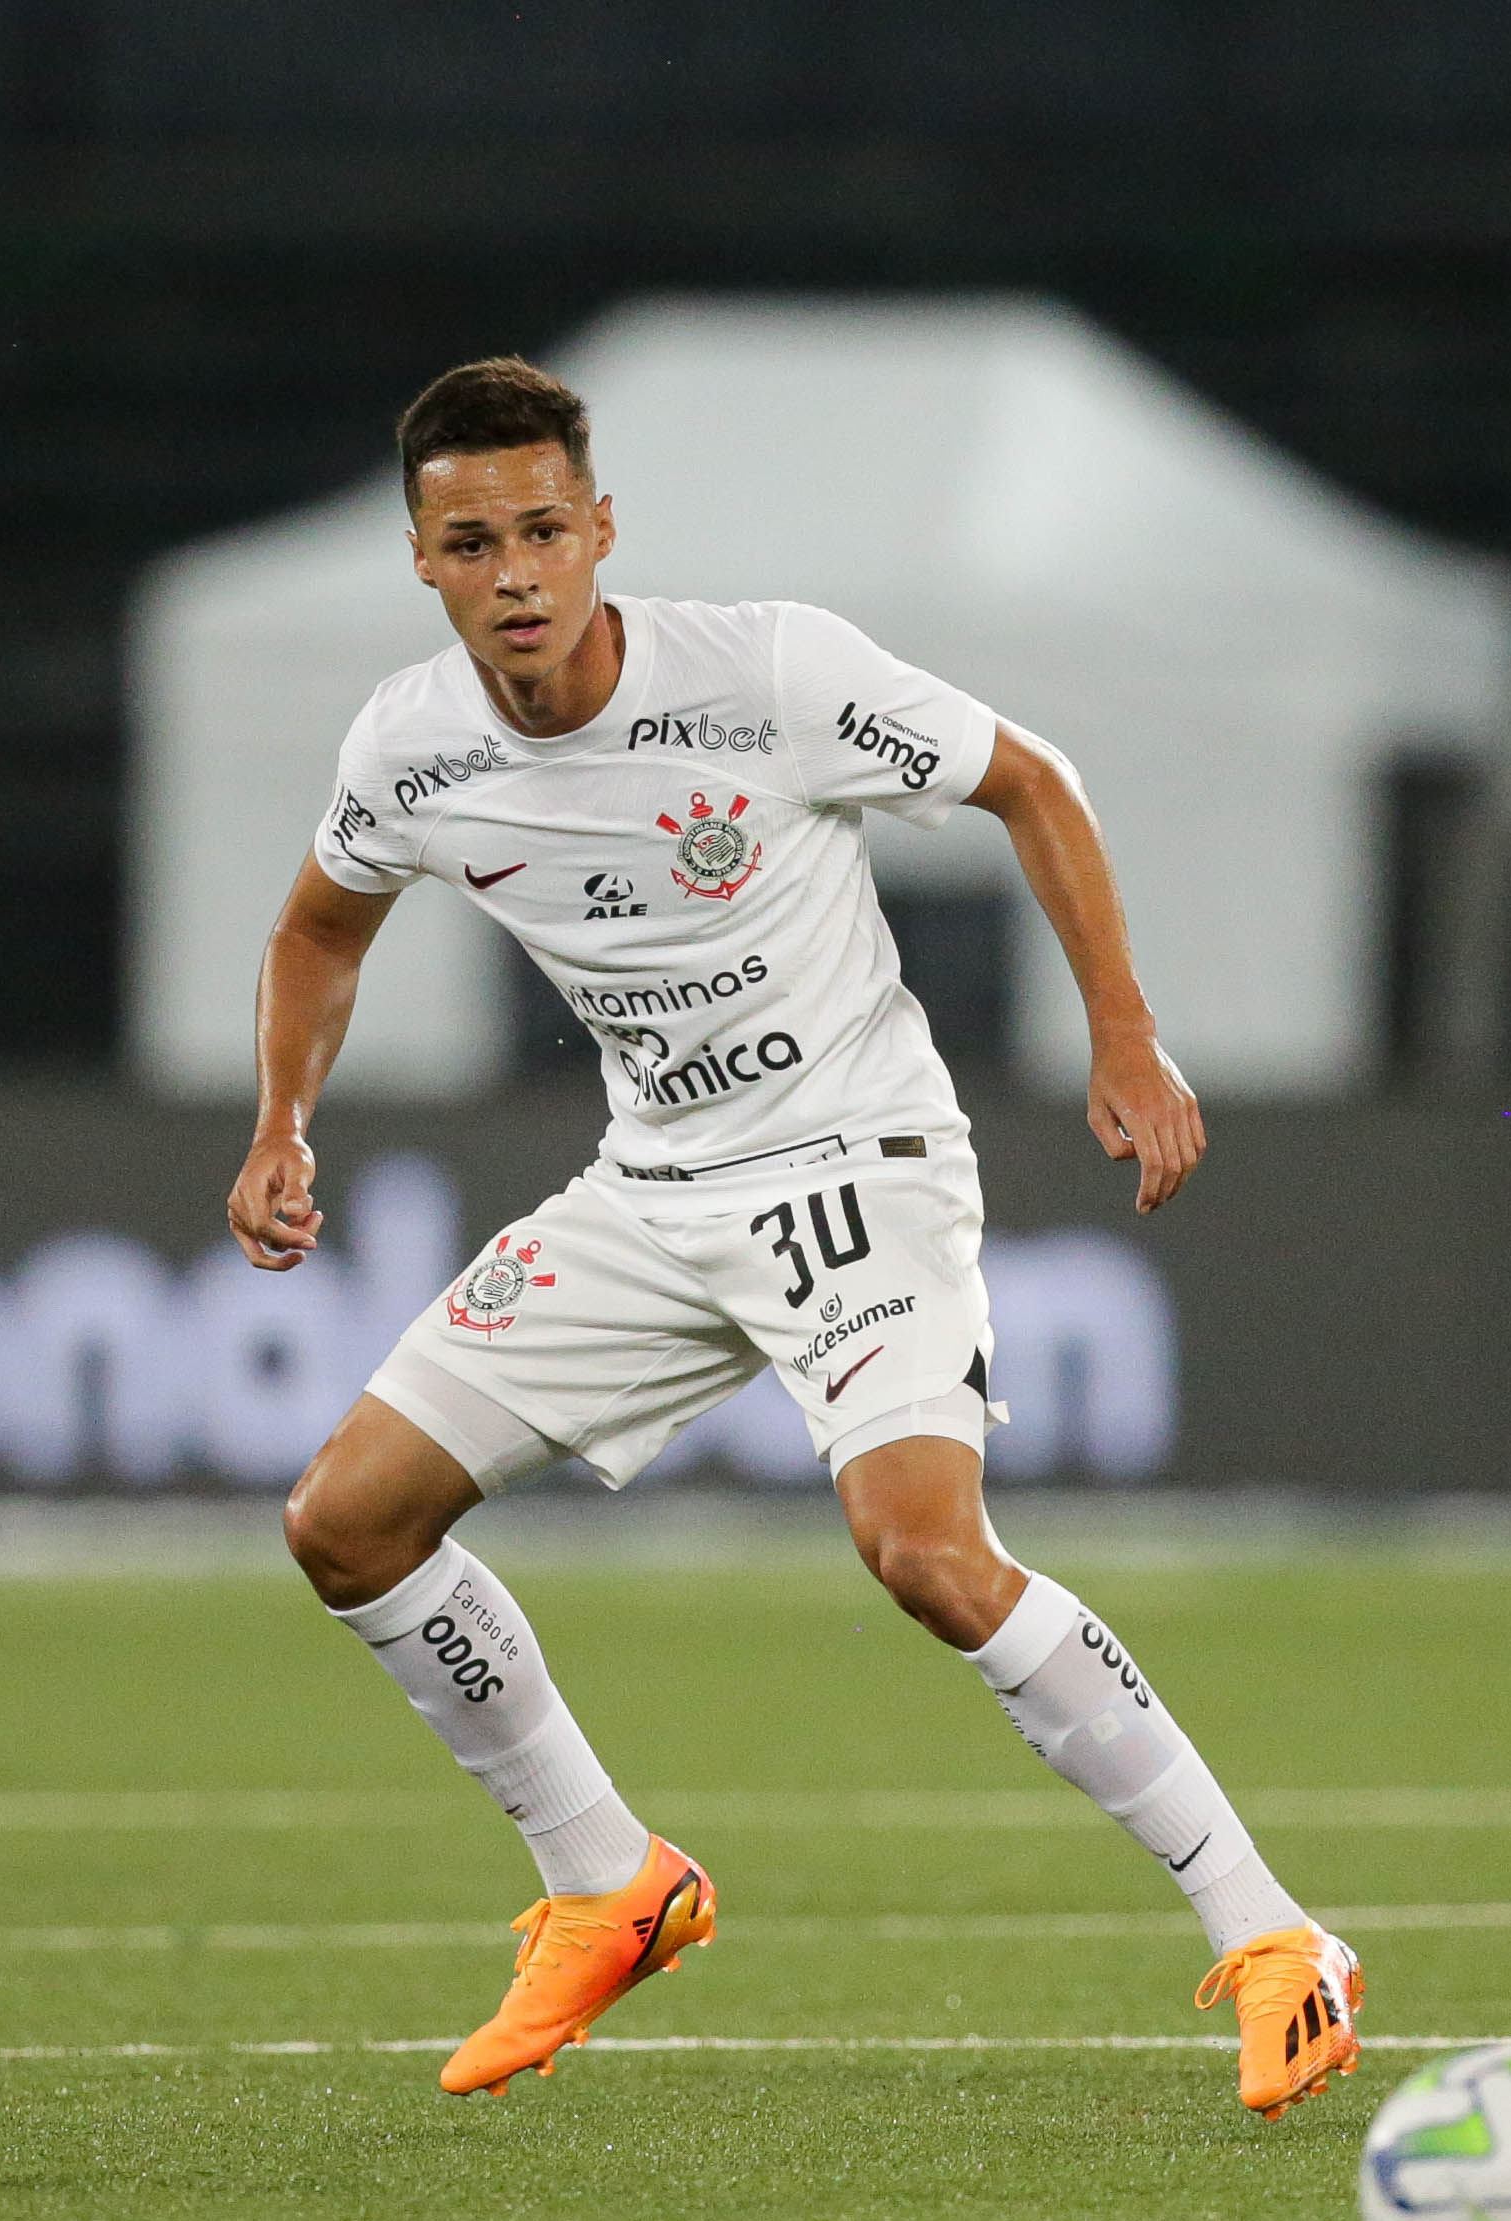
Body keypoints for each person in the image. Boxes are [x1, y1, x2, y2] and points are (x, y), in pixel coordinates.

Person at [228, 357, 1363, 2115]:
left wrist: (1124, 1034)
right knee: (346, 1521)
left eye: (544, 529)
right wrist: (285, 1119)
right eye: (475, 541)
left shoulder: (765, 675)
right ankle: (607, 1877)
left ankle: (1277, 1928)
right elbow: (319, 928)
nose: (517, 572)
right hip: (652, 1185)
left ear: (603, 530)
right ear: (423, 560)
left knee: (920, 1549)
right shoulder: (411, 746)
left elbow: (1031, 783)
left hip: (854, 1155)